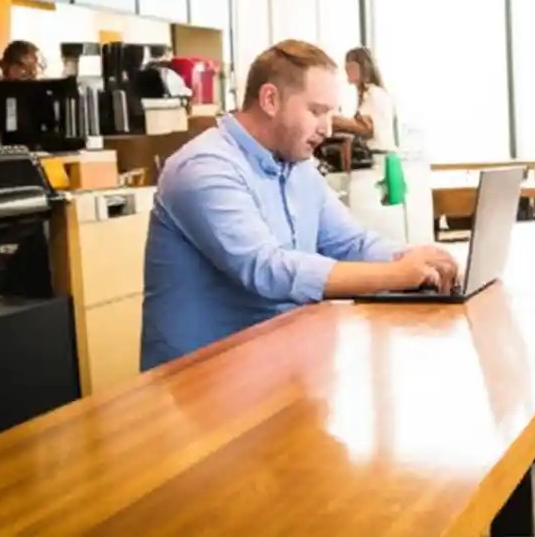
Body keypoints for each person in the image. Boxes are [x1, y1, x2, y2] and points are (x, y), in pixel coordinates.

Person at [141, 40, 456, 370]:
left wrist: (415, 259)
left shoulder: (297, 166)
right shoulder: (205, 167)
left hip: (275, 364)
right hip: (198, 383)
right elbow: (267, 269)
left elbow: (351, 242)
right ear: (270, 100)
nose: (328, 128)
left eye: (331, 113)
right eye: (317, 111)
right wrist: (396, 275)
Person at [332, 47, 405, 240]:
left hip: (377, 164)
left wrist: (335, 121)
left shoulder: (373, 94)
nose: (346, 71)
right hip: (381, 162)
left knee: (368, 221)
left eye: (350, 66)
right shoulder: (372, 95)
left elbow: (367, 129)